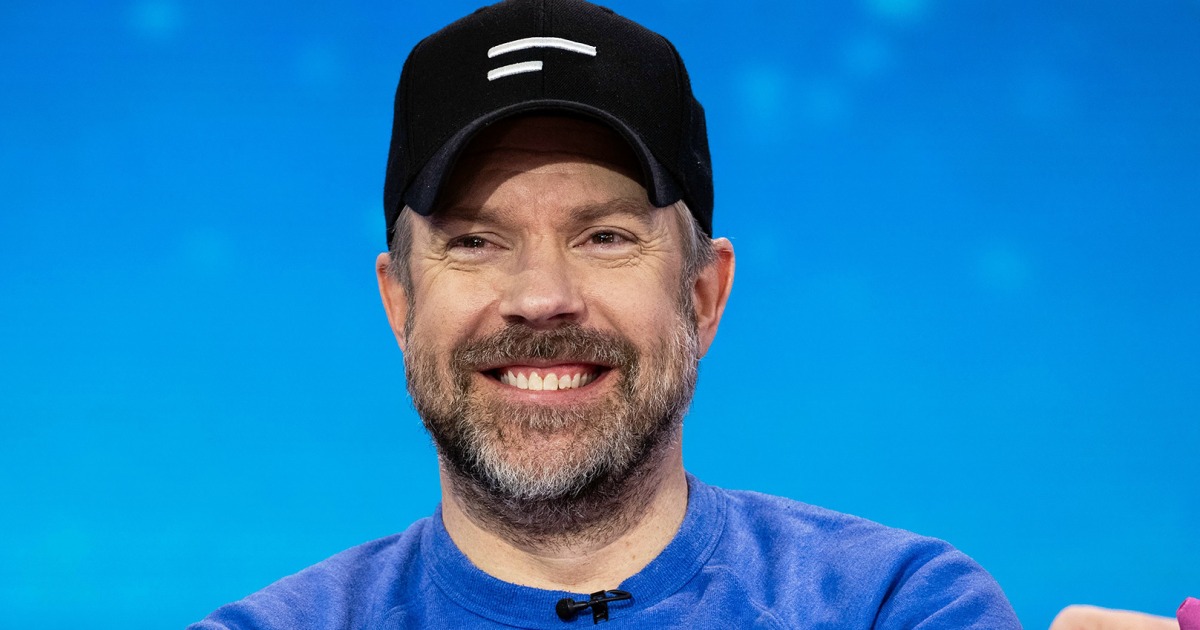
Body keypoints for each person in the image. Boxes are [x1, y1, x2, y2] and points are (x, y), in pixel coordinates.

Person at [189, 1, 1022, 627]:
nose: (542, 297)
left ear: (703, 295)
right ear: (400, 302)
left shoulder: (897, 605)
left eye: (605, 236)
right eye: (476, 241)